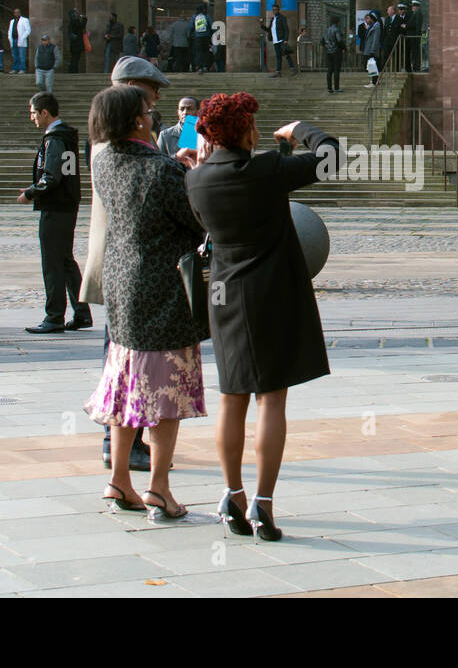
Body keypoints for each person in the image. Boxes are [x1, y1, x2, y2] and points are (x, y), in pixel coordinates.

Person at [185, 93, 341, 542]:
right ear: (247, 131)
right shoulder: (267, 169)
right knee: (271, 399)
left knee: (232, 396)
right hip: (272, 294)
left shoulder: (195, 180)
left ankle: (231, 492)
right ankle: (263, 504)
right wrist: (300, 129)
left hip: (225, 296)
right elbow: (331, 156)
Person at [82, 84, 208, 515]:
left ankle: (118, 481)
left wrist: (173, 164)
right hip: (162, 289)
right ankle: (158, 487)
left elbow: (144, 184)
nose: (153, 116)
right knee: (165, 393)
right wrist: (195, 171)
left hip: (120, 286)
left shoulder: (105, 162)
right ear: (137, 120)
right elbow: (197, 221)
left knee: (125, 385)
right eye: (148, 112)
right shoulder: (161, 172)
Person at [80, 56, 172, 472]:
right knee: (121, 354)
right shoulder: (114, 145)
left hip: (120, 261)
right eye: (150, 97)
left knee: (121, 351)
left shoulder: (107, 138)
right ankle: (117, 440)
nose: (153, 106)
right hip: (129, 264)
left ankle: (121, 440)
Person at [19, 92, 91, 334]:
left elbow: (52, 176)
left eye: (33, 113)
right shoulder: (66, 136)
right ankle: (81, 313)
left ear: (44, 113)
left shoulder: (55, 139)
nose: (31, 119)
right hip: (67, 203)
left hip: (56, 206)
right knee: (65, 260)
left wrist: (30, 192)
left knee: (52, 262)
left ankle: (54, 316)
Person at [269, 2, 296, 77]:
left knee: (287, 54)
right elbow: (269, 29)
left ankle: (292, 69)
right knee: (278, 57)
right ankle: (278, 72)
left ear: (278, 10)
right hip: (275, 41)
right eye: (273, 10)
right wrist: (261, 25)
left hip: (281, 40)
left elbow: (286, 29)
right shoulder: (272, 19)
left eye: (275, 10)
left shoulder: (282, 18)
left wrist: (285, 39)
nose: (274, 11)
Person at [322, 15, 346, 93]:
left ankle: (329, 87)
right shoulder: (336, 30)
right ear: (337, 22)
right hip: (336, 52)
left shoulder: (326, 30)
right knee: (336, 70)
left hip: (328, 52)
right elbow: (339, 40)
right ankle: (336, 87)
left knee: (329, 70)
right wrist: (343, 48)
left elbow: (322, 41)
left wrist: (327, 48)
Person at [8, 7, 31, 74]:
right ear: (14, 14)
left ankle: (22, 69)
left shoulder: (25, 20)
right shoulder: (12, 21)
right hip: (14, 40)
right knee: (15, 56)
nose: (16, 13)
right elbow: (10, 31)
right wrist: (10, 38)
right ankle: (15, 68)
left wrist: (22, 38)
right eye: (15, 12)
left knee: (21, 56)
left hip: (21, 40)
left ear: (20, 13)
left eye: (18, 12)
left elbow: (28, 30)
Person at [362, 12, 382, 87]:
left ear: (372, 19)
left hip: (372, 50)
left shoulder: (376, 27)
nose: (367, 20)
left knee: (373, 65)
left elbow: (375, 39)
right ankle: (373, 80)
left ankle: (374, 82)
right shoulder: (372, 26)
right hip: (369, 49)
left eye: (369, 18)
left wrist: (373, 50)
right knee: (371, 65)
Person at [191, 3, 212, 72]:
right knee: (206, 51)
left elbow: (191, 27)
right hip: (206, 36)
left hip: (197, 37)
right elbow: (212, 26)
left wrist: (192, 33)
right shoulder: (207, 16)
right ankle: (206, 66)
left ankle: (199, 67)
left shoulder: (194, 17)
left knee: (198, 52)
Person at [65, 8, 87, 73]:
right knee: (75, 58)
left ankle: (72, 71)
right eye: (76, 13)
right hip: (76, 44)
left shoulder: (71, 22)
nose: (77, 14)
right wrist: (84, 19)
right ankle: (73, 71)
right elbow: (81, 26)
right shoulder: (75, 21)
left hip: (74, 44)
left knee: (74, 58)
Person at [405, 0, 424, 72]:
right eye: (412, 6)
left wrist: (417, 37)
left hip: (414, 37)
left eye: (414, 6)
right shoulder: (415, 14)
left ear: (417, 7)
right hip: (412, 37)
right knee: (414, 53)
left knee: (416, 53)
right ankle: (415, 67)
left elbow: (418, 26)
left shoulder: (418, 14)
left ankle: (416, 68)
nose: (412, 7)